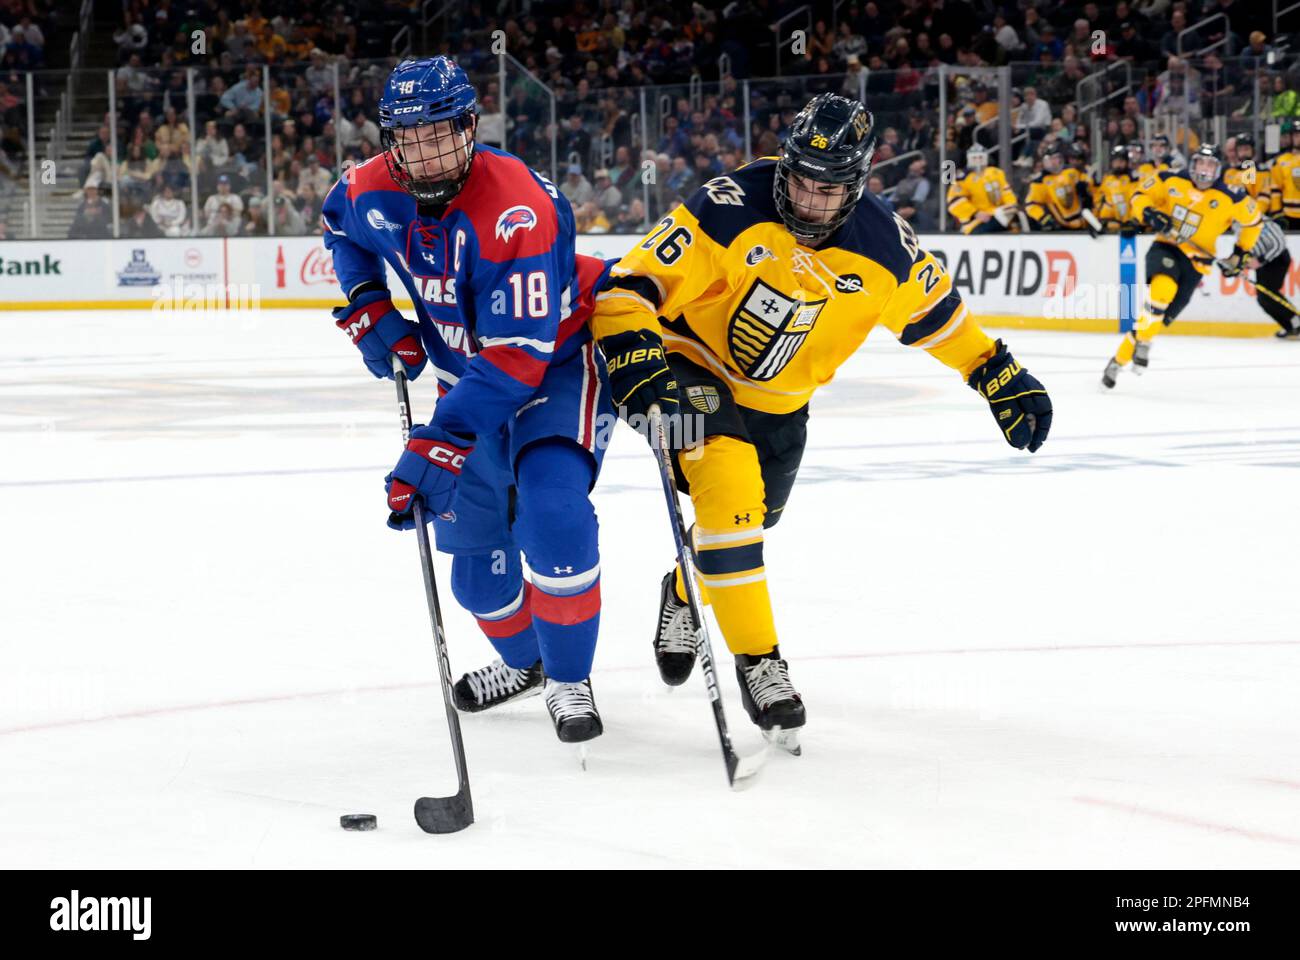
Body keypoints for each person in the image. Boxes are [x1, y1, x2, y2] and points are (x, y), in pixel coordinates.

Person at [588, 94, 1052, 751]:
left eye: (826, 190)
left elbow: (939, 315)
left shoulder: (884, 245)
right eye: (799, 180)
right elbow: (627, 285)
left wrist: (996, 373)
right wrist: (637, 362)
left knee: (747, 519)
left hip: (780, 403)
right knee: (731, 484)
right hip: (688, 366)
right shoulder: (728, 203)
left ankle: (684, 592)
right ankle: (761, 662)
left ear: (856, 188)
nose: (807, 200)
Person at [322, 57, 615, 744]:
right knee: (480, 584)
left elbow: (518, 358)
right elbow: (340, 230)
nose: (425, 154)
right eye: (408, 138)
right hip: (466, 380)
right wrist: (369, 305)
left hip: (555, 369)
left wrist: (440, 440)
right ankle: (532, 664)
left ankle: (571, 678)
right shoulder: (371, 188)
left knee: (553, 519)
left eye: (441, 135)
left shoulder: (516, 209)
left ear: (469, 128)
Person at [1102, 144, 1264, 388]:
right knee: (1161, 292)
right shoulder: (1171, 179)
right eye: (1201, 162)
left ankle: (1117, 361)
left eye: (1210, 165)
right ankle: (1142, 345)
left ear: (1218, 169)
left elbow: (1254, 222)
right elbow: (1139, 195)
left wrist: (1241, 253)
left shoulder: (1233, 196)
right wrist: (1148, 212)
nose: (1204, 169)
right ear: (1193, 163)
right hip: (1166, 248)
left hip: (1197, 264)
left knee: (1156, 318)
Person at [946, 144, 1018, 233]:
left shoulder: (996, 172)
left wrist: (1011, 205)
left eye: (980, 157)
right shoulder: (962, 178)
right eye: (974, 158)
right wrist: (975, 213)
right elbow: (954, 202)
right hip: (975, 222)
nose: (978, 160)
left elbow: (1006, 192)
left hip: (998, 215)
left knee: (1018, 218)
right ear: (969, 159)